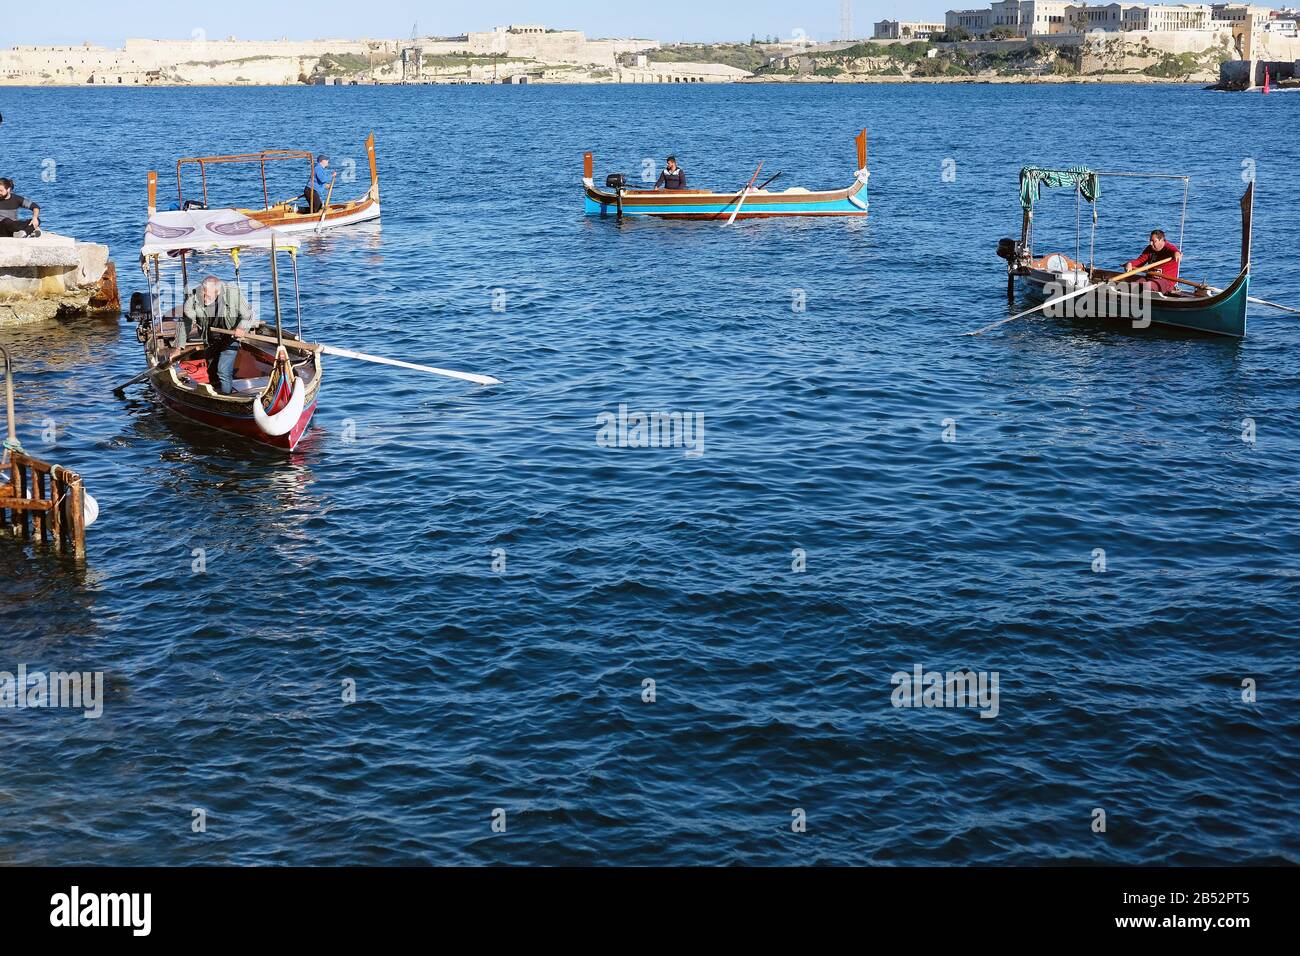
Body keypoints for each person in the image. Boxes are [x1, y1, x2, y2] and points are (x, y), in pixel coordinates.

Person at [179, 276, 256, 395]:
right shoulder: (195, 296)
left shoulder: (233, 294)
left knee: (223, 370)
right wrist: (177, 348)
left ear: (218, 292)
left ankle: (227, 398)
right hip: (210, 337)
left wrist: (241, 327)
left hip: (231, 336)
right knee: (212, 370)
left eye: (208, 296)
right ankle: (216, 394)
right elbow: (186, 322)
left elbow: (248, 315)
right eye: (203, 294)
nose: (204, 299)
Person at [1123, 229, 1182, 294]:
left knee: (1147, 286)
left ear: (1161, 240)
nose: (1151, 243)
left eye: (1153, 241)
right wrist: (1130, 264)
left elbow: (1175, 251)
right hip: (1150, 278)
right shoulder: (1149, 249)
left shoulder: (1168, 248)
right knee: (1133, 284)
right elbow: (1140, 260)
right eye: (1150, 241)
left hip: (1165, 281)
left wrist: (1177, 253)